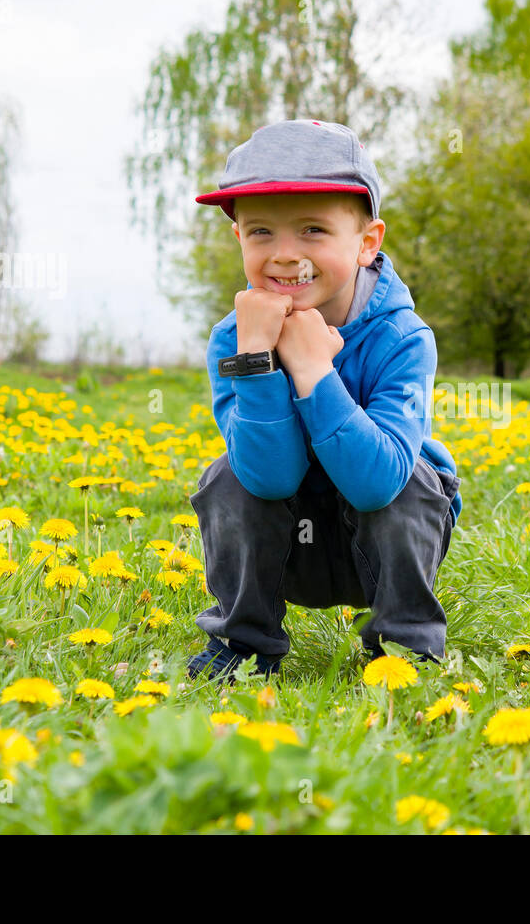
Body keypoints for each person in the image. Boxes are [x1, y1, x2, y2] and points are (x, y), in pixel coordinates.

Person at [185, 119, 462, 681]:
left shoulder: (402, 337)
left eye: (313, 230)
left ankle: (404, 648)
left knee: (412, 480)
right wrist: (260, 360)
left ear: (367, 243)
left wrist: (314, 370)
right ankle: (243, 644)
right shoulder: (231, 340)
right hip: (289, 542)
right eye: (261, 232)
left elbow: (376, 482)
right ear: (239, 239)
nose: (285, 255)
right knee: (228, 479)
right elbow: (267, 480)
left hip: (379, 543)